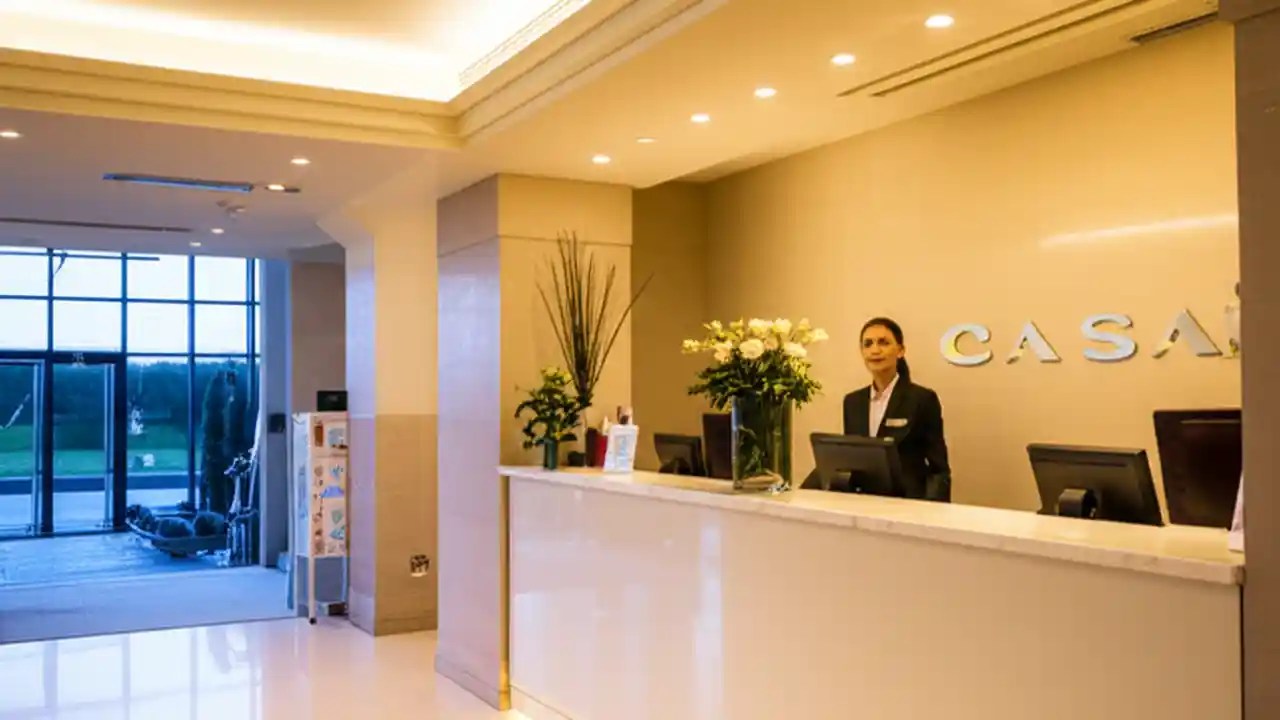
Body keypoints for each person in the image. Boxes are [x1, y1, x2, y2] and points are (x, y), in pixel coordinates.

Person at [843, 317, 952, 502]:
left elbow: (938, 469)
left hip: (909, 506)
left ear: (900, 351)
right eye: (867, 344)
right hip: (862, 505)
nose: (875, 350)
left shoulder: (922, 399)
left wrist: (934, 514)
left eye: (883, 343)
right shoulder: (853, 402)